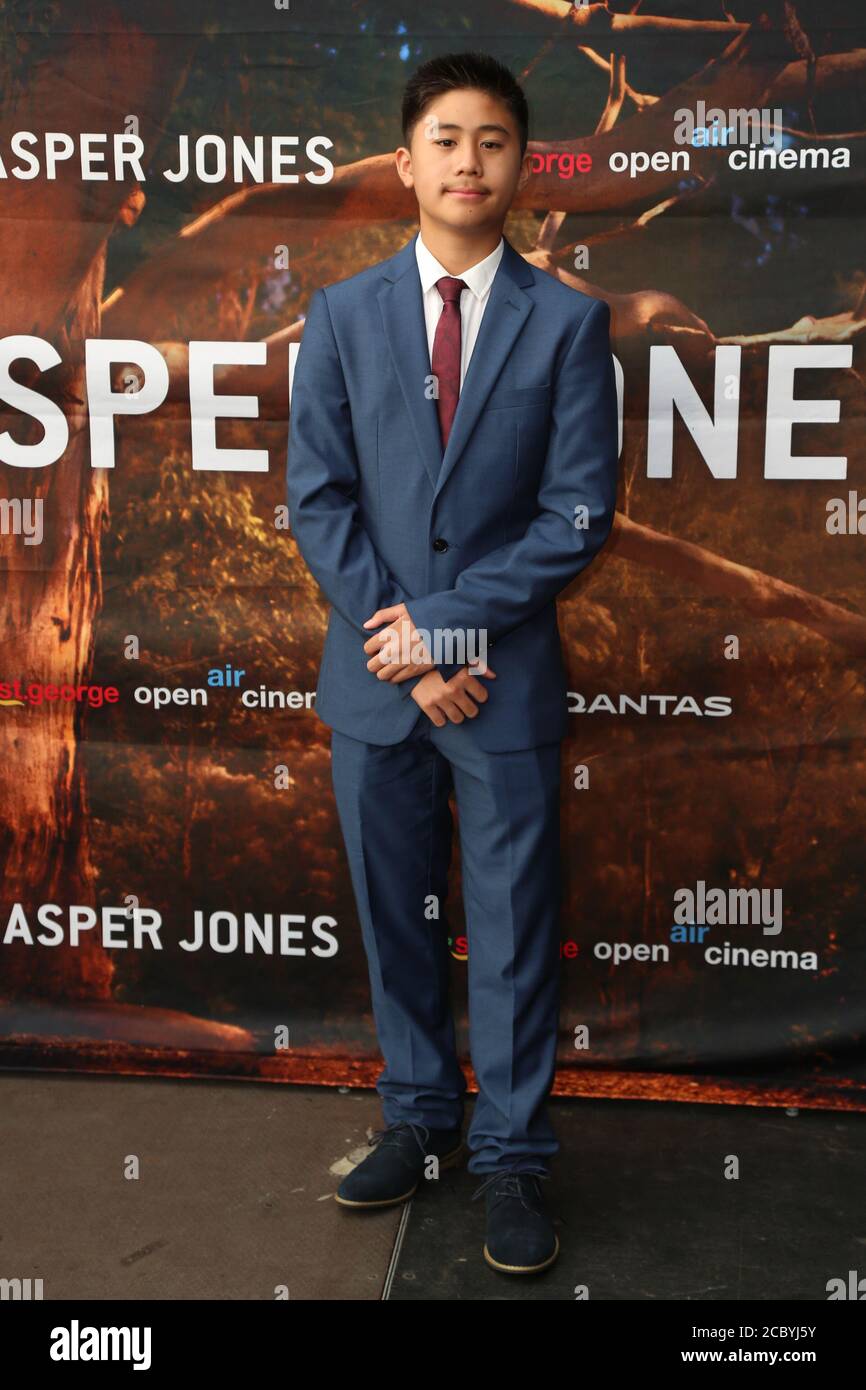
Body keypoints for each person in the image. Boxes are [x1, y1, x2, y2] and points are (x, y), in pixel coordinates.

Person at [287, 50, 619, 1275]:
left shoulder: (570, 325)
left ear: (521, 166)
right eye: (444, 137)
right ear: (404, 160)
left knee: (516, 932)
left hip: (501, 688)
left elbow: (577, 513)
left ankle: (514, 1162)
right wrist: (409, 648)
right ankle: (420, 1123)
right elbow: (318, 503)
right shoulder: (339, 316)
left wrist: (451, 628)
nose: (466, 160)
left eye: (490, 140)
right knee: (399, 922)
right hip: (379, 685)